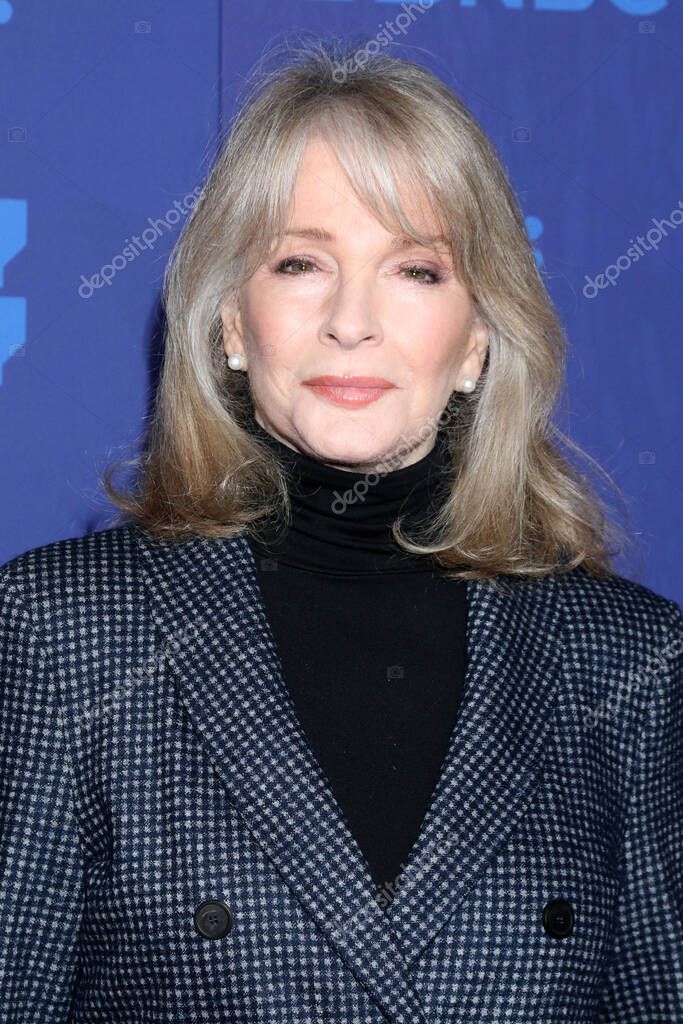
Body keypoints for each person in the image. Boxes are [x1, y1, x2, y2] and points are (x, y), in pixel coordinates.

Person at [1, 39, 681, 1024]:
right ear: (233, 322)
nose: (350, 319)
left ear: (476, 339)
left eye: (412, 269)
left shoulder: (630, 666)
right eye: (299, 263)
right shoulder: (63, 636)